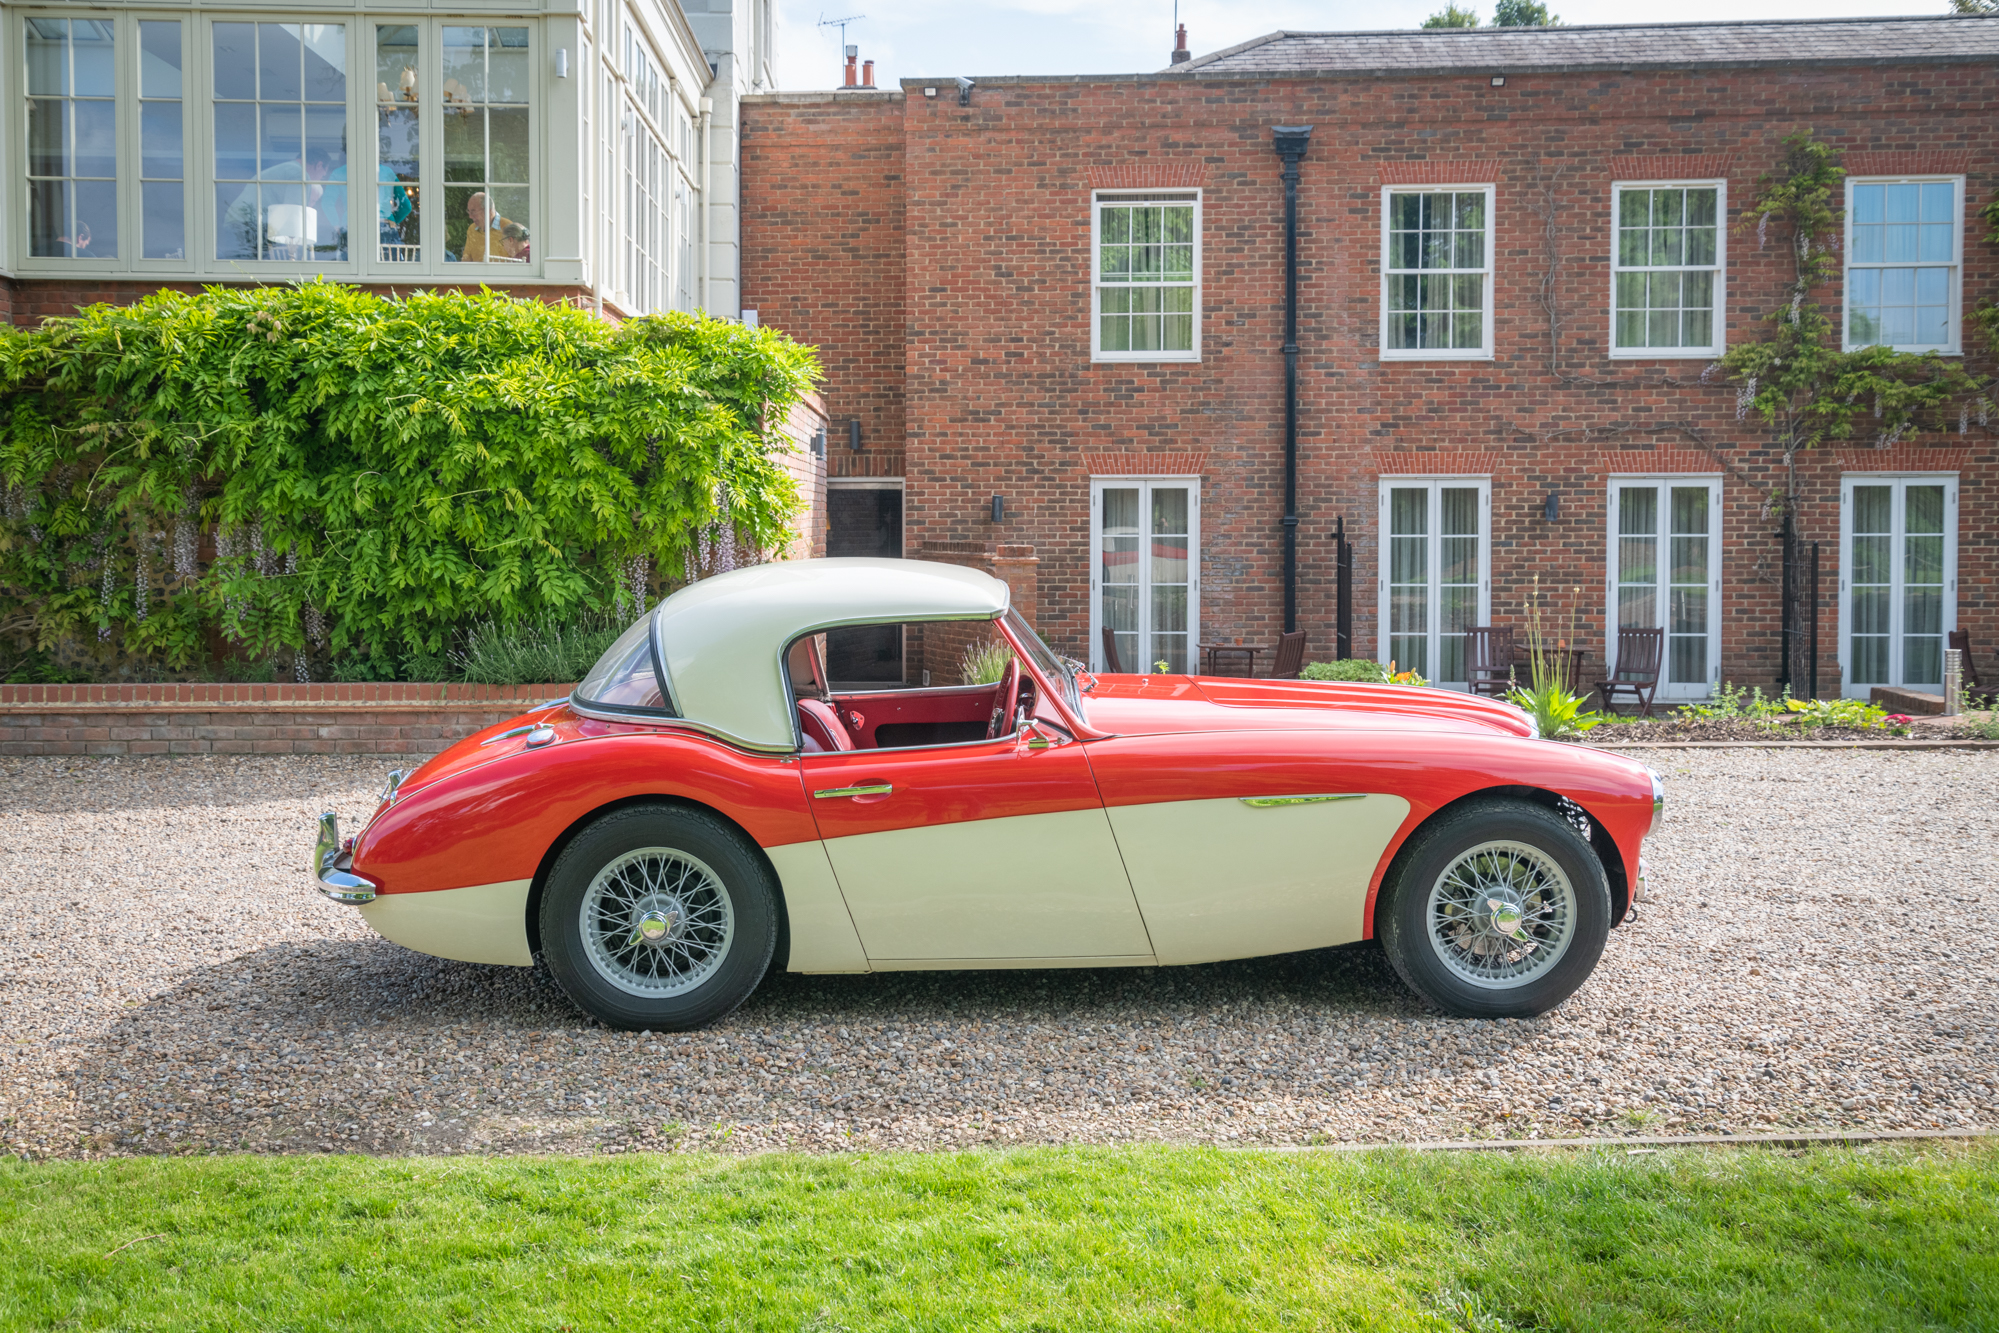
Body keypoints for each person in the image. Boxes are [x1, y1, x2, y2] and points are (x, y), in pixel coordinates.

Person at [460, 191, 527, 262]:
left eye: (473, 212)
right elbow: (466, 259)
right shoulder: (472, 229)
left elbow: (518, 260)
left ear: (487, 211)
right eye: (469, 211)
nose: (470, 216)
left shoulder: (508, 227)